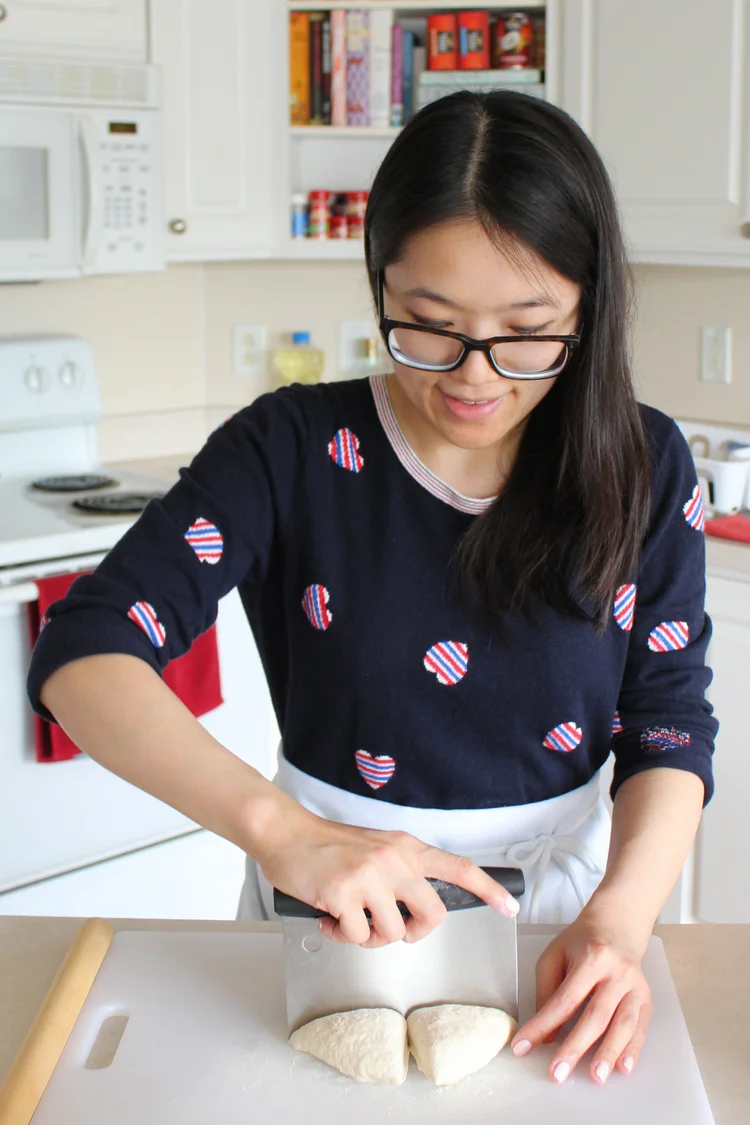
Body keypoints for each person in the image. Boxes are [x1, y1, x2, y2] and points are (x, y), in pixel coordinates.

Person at [27, 91, 716, 1088]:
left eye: (528, 333)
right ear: (379, 286)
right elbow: (83, 652)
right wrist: (285, 835)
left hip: (571, 914)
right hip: (327, 901)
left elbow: (668, 723)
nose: (475, 378)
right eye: (427, 328)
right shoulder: (291, 450)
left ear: (589, 308)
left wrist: (621, 916)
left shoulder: (645, 463)